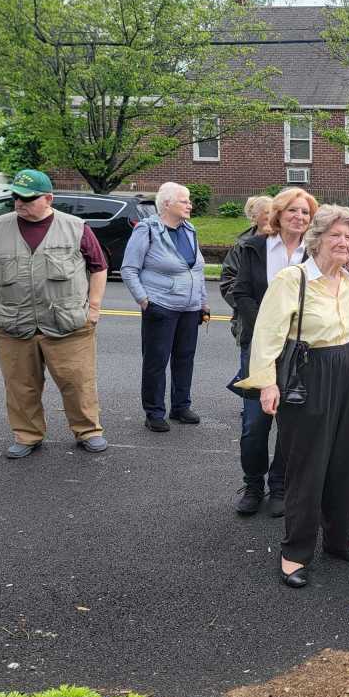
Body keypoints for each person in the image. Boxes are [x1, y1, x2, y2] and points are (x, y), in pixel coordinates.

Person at [235, 205, 349, 588]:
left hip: (348, 374)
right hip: (308, 375)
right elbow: (267, 334)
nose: (344, 242)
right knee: (308, 466)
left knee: (345, 463)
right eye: (336, 235)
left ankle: (338, 539)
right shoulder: (292, 279)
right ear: (317, 240)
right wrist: (267, 383)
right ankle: (295, 553)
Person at [0, 169, 108, 458]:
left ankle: (88, 431)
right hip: (14, 325)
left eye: (27, 198)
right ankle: (27, 435)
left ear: (48, 198)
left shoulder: (76, 227)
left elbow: (99, 268)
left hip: (68, 324)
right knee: (20, 387)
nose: (19, 203)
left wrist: (94, 309)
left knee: (78, 383)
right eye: (15, 197)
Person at [227, 187, 318, 515]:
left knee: (290, 422)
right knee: (255, 423)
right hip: (259, 345)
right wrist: (269, 327)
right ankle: (253, 484)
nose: (299, 217)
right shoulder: (255, 247)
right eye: (293, 210)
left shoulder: (314, 252)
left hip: (299, 349)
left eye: (305, 212)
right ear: (278, 214)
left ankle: (279, 485)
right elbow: (240, 292)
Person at [121, 182, 210, 433]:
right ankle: (154, 412)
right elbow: (129, 269)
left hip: (189, 308)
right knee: (156, 361)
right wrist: (144, 300)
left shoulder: (189, 229)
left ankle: (181, 407)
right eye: (184, 201)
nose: (190, 205)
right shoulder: (147, 230)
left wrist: (202, 302)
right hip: (161, 306)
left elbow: (197, 270)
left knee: (185, 359)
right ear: (167, 204)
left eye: (189, 200)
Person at [220, 195, 272, 345]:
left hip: (279, 320)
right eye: (268, 212)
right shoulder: (242, 246)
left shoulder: (284, 242)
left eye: (275, 211)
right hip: (249, 323)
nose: (273, 216)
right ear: (255, 217)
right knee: (249, 358)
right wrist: (248, 309)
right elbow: (228, 280)